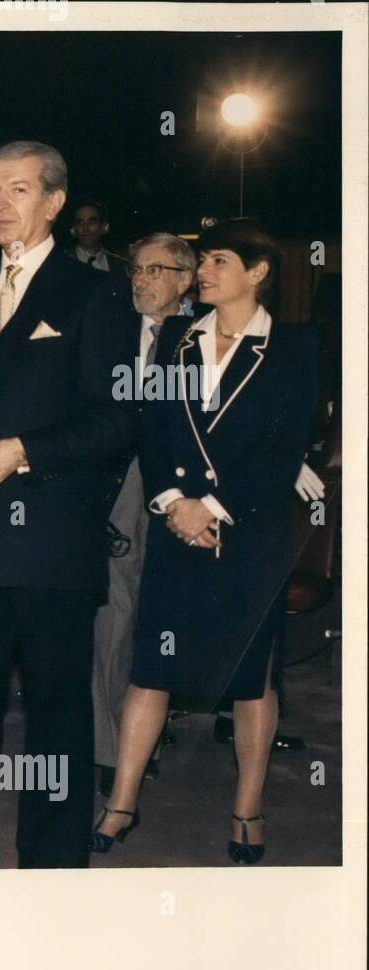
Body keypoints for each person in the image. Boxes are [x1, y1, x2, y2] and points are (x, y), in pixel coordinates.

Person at [0, 140, 136, 870]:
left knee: (57, 718)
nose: (1, 204)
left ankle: (52, 863)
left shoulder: (96, 293)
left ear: (55, 201)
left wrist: (23, 451)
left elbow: (117, 422)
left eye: (17, 189)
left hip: (50, 546)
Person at [92, 218, 318, 865]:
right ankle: (122, 801)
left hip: (248, 539)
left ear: (258, 272)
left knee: (251, 681)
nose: (205, 272)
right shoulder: (174, 340)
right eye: (205, 262)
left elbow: (282, 451)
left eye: (219, 261)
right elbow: (155, 430)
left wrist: (211, 506)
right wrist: (171, 502)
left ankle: (248, 807)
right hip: (177, 530)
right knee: (150, 670)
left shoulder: (294, 348)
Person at [92, 233, 197, 795]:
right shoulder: (111, 332)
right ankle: (111, 747)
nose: (141, 279)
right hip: (120, 487)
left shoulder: (203, 339)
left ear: (185, 280)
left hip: (185, 494)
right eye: (136, 268)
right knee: (115, 611)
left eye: (157, 270)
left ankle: (148, 728)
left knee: (162, 617)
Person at [71, 199, 123, 272]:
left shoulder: (119, 262)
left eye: (91, 222)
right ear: (74, 229)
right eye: (80, 223)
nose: (85, 228)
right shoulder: (62, 262)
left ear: (104, 227)